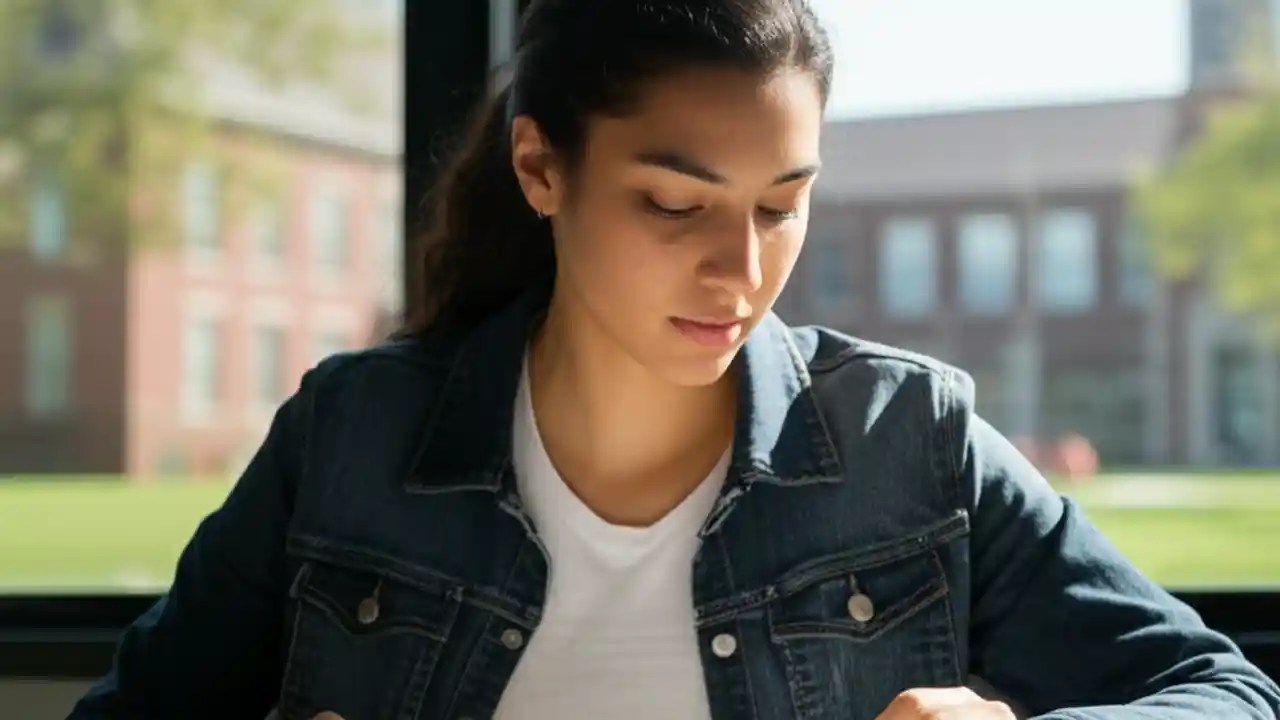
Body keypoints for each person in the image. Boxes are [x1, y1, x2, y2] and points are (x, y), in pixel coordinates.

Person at [70, 1, 1280, 719]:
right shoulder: (351, 438)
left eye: (780, 205)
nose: (739, 271)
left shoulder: (907, 443)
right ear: (541, 168)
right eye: (671, 204)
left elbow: (1230, 696)